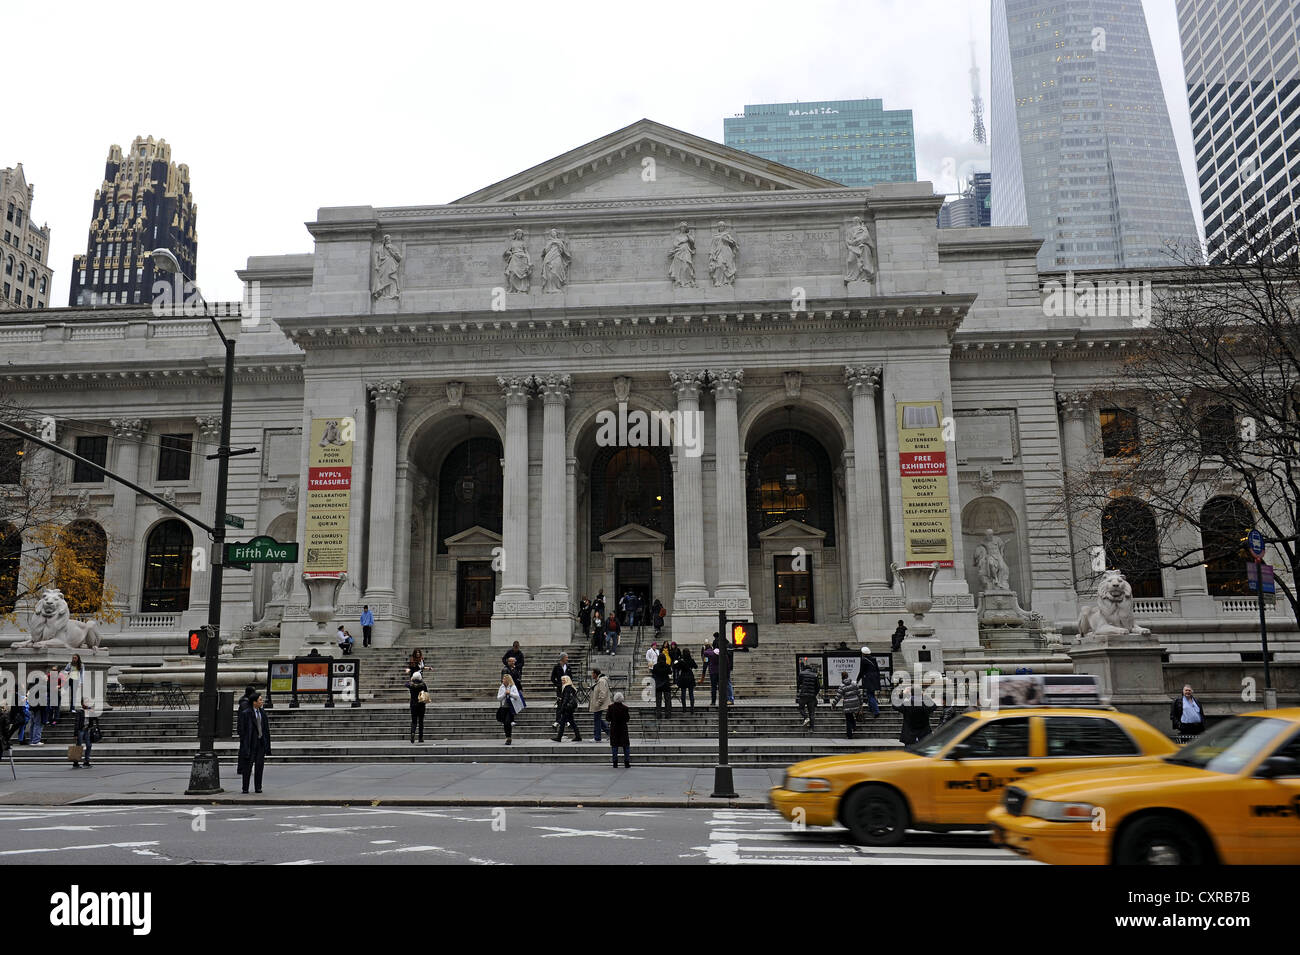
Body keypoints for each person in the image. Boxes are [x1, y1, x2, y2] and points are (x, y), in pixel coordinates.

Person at [237, 691, 272, 793]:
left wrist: (266, 743)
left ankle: (258, 787)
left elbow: (266, 729)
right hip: (250, 743)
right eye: (260, 700)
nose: (262, 701)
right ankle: (245, 788)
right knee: (247, 767)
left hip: (260, 743)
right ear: (254, 702)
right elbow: (241, 729)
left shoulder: (262, 712)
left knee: (259, 766)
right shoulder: (246, 713)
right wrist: (245, 741)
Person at [832, 671, 864, 739]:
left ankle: (849, 734)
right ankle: (854, 726)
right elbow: (859, 694)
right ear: (847, 676)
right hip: (855, 702)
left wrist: (834, 704)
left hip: (847, 703)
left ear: (842, 677)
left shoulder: (842, 686)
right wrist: (861, 703)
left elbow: (838, 696)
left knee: (848, 718)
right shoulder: (854, 683)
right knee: (851, 715)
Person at [552, 676, 582, 742]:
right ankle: (578, 736)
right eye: (562, 680)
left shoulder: (567, 687)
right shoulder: (570, 687)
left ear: (567, 680)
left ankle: (559, 737)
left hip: (567, 708)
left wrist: (562, 708)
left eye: (564, 680)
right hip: (569, 708)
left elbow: (566, 699)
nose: (562, 682)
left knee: (563, 723)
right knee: (571, 723)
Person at [71, 696, 98, 768]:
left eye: (88, 702)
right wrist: (75, 734)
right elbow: (76, 723)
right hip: (80, 730)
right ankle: (76, 762)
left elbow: (95, 719)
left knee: (89, 745)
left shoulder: (90, 710)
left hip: (87, 730)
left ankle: (86, 761)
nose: (87, 704)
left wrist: (93, 712)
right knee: (79, 746)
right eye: (85, 702)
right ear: (82, 703)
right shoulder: (80, 711)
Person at [607, 691, 631, 767]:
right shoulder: (625, 708)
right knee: (626, 746)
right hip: (623, 729)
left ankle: (615, 763)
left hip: (614, 728)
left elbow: (607, 718)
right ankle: (627, 762)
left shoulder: (610, 707)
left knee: (614, 746)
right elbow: (627, 719)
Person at [497, 674, 523, 744]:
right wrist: (504, 694)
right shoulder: (501, 687)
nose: (503, 680)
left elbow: (517, 696)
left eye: (504, 679)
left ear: (508, 680)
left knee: (508, 722)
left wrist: (510, 693)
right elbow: (498, 698)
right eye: (503, 679)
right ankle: (507, 736)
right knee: (505, 723)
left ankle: (509, 737)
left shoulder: (513, 686)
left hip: (510, 708)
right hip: (503, 707)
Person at [796, 660, 821, 729]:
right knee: (811, 712)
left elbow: (798, 684)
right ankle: (812, 728)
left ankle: (805, 717)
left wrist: (799, 690)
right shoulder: (815, 675)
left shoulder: (802, 674)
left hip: (803, 695)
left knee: (801, 708)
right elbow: (818, 687)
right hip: (812, 696)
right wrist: (814, 694)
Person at [857, 647, 881, 717]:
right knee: (871, 694)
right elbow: (877, 669)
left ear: (863, 653)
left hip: (869, 679)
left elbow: (861, 671)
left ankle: (876, 711)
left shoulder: (863, 660)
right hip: (875, 678)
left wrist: (857, 679)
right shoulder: (874, 659)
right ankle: (870, 708)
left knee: (870, 695)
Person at [589, 668, 612, 742]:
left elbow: (602, 693)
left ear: (595, 674)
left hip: (599, 705)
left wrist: (598, 703)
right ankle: (610, 733)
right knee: (598, 719)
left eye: (592, 673)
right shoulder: (599, 681)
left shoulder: (601, 681)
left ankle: (597, 737)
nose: (591, 675)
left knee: (597, 720)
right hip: (598, 704)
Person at [408, 666, 428, 743]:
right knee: (421, 721)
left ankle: (412, 732)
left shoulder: (411, 685)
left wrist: (411, 679)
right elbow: (426, 692)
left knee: (414, 721)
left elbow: (406, 684)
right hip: (421, 704)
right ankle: (420, 737)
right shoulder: (423, 685)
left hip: (413, 704)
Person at [675, 648, 697, 712]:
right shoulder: (691, 660)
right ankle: (692, 708)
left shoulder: (681, 660)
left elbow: (677, 668)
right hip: (690, 676)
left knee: (683, 693)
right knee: (691, 694)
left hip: (683, 676)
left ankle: (684, 708)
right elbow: (696, 666)